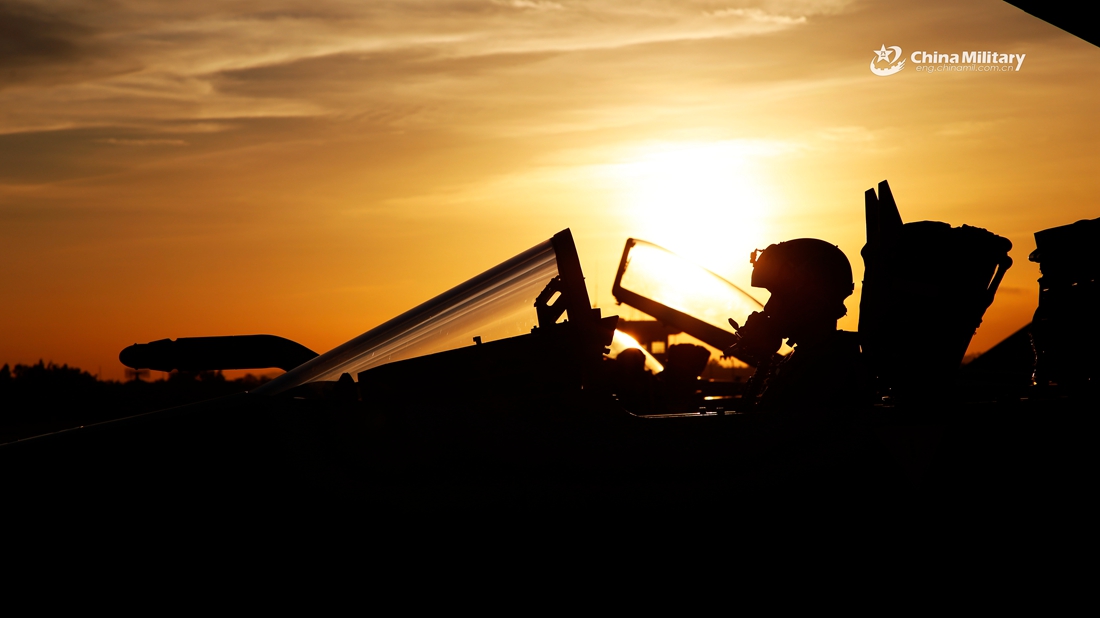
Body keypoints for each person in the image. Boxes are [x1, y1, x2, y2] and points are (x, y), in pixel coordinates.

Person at [728, 238, 870, 412]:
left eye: (778, 295)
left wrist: (765, 359)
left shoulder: (823, 371)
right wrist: (764, 356)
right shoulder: (816, 357)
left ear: (808, 297)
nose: (769, 306)